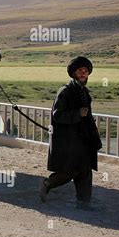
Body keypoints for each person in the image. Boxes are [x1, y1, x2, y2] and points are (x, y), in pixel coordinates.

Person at [39, 56, 102, 211]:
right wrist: (78, 114)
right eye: (80, 70)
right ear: (74, 73)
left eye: (86, 71)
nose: (83, 73)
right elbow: (57, 115)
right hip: (69, 139)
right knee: (71, 170)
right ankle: (48, 183)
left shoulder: (83, 91)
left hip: (83, 138)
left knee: (85, 169)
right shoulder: (65, 91)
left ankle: (83, 203)